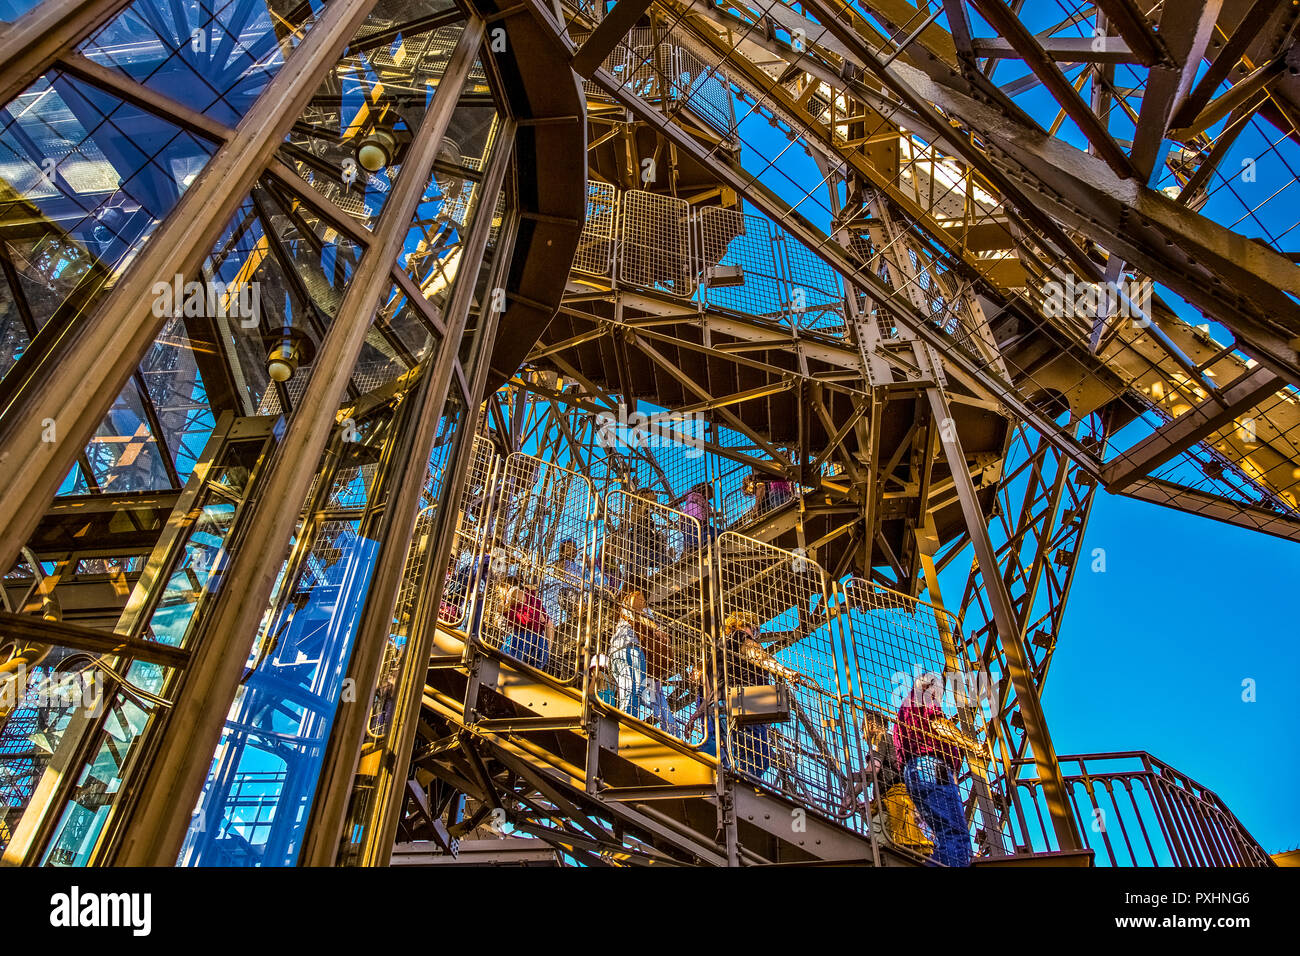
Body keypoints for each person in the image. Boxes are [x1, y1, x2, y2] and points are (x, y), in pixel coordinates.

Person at [895, 675, 974, 867]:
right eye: (939, 689)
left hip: (913, 774)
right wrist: (970, 744)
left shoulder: (905, 709)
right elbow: (938, 724)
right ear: (931, 686)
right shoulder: (925, 698)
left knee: (943, 837)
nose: (940, 695)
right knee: (955, 835)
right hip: (932, 769)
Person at [863, 710, 933, 856]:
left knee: (875, 842)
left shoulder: (881, 737)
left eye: (863, 728)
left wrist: (852, 792)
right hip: (895, 799)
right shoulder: (894, 742)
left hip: (895, 799)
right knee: (891, 842)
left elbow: (873, 769)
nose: (863, 736)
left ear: (871, 724)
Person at [608, 588, 675, 733]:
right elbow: (633, 608)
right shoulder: (631, 612)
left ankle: (670, 730)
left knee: (639, 691)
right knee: (633, 688)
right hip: (629, 648)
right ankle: (627, 723)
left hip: (625, 652)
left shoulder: (629, 619)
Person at [498, 575, 553, 671]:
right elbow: (549, 624)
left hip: (522, 636)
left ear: (506, 587)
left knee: (503, 663)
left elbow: (519, 597)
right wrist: (547, 649)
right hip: (539, 640)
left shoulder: (514, 592)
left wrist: (502, 607)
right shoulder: (536, 601)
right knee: (532, 671)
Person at [678, 482, 714, 553]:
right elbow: (679, 500)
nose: (710, 496)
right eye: (710, 493)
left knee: (692, 534)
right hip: (694, 519)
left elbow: (707, 514)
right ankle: (692, 547)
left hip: (696, 520)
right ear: (704, 491)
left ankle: (692, 548)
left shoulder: (703, 501)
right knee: (694, 535)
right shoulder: (695, 496)